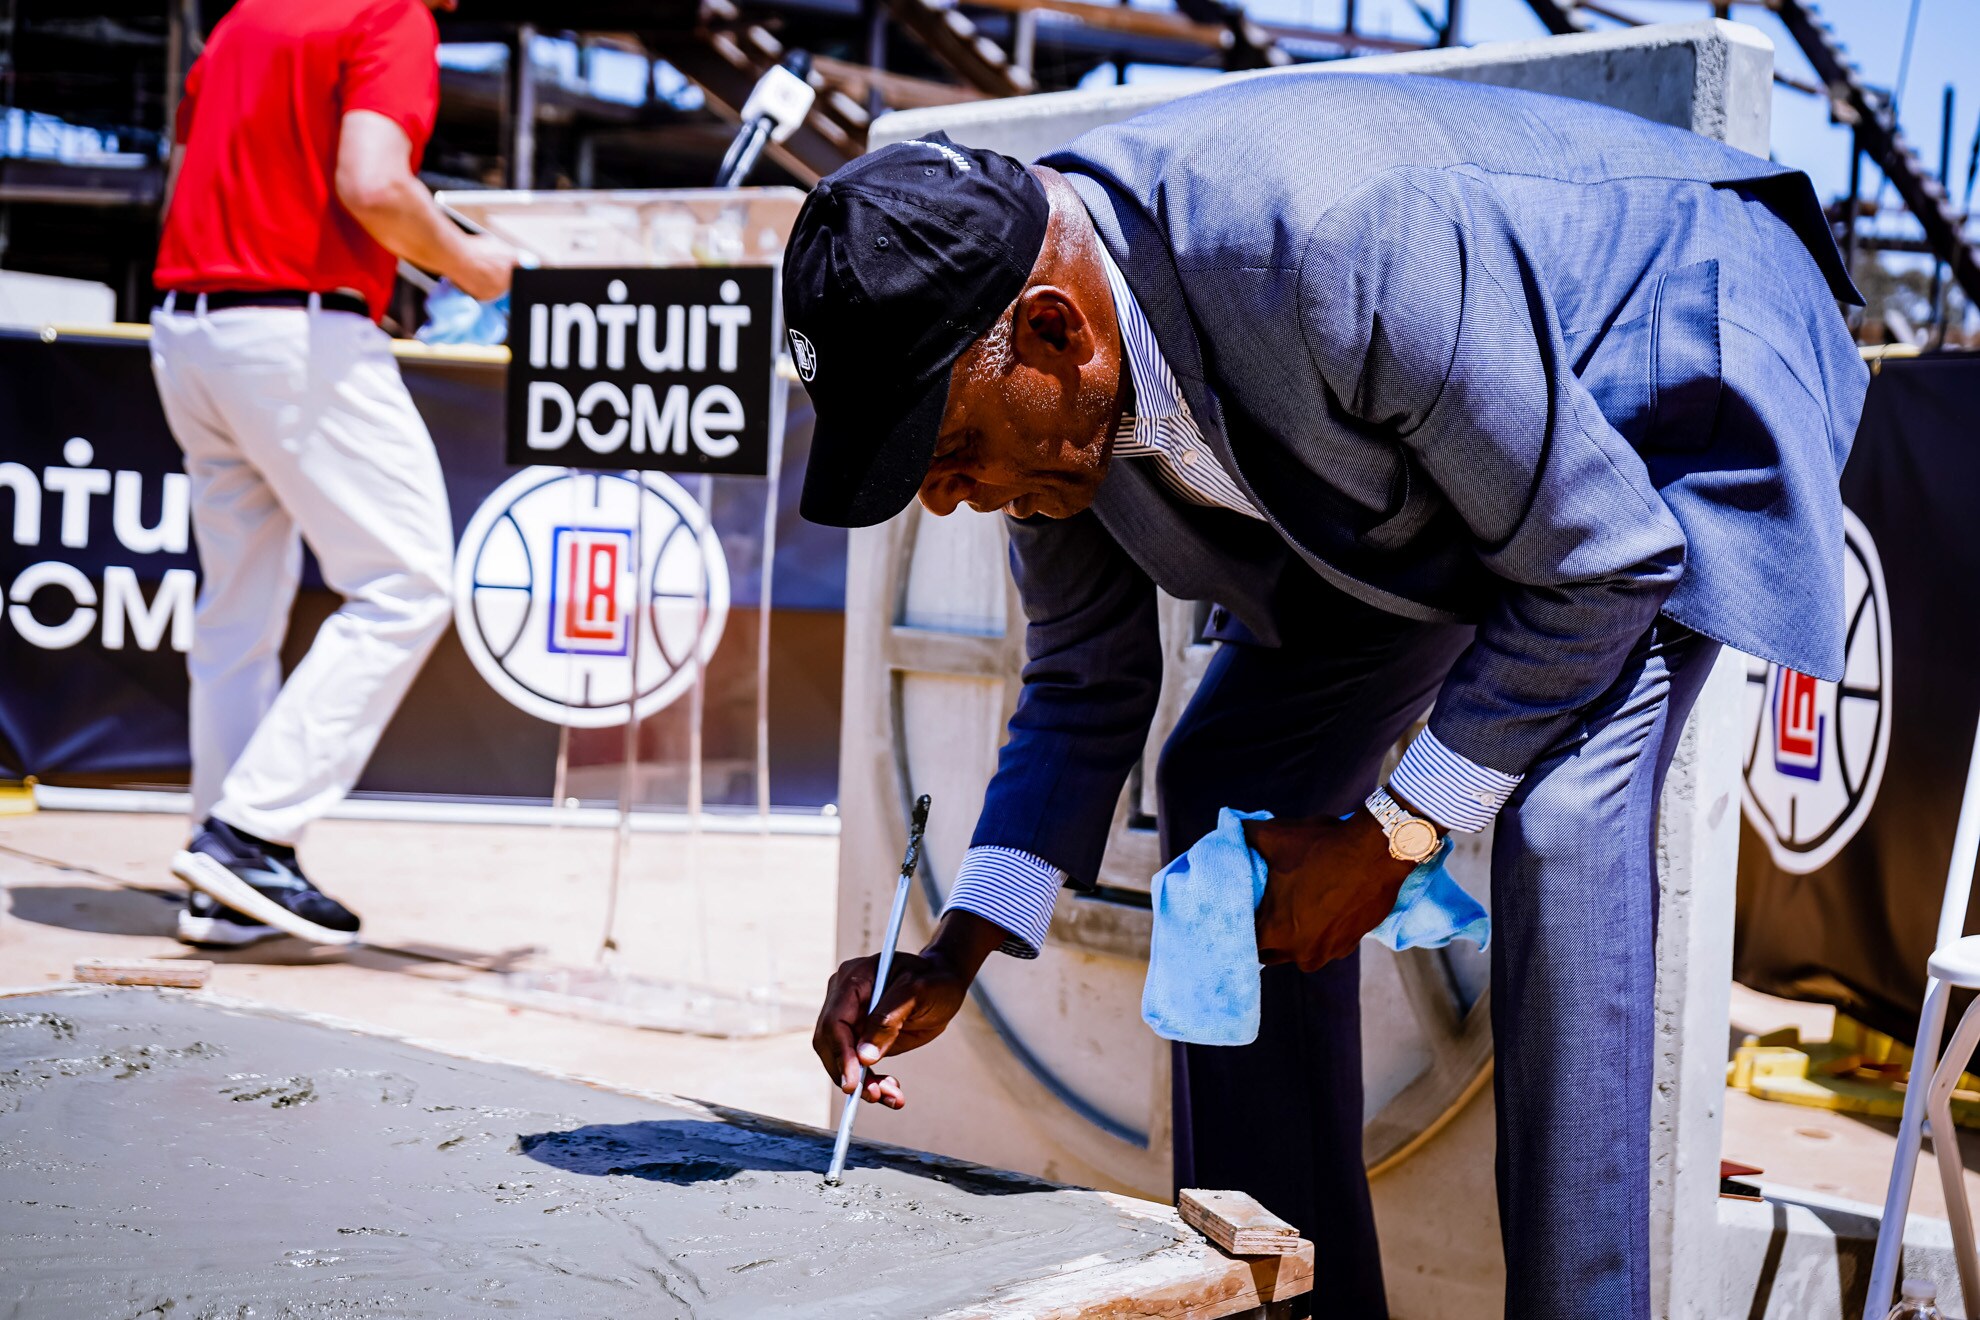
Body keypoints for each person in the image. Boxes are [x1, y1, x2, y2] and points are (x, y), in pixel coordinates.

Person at [789, 73, 1864, 1319]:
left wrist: (1392, 837)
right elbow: (1085, 685)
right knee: (1228, 787)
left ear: (1050, 333)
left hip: (1669, 365)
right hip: (1468, 477)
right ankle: (1290, 1303)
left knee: (1567, 811)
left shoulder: (1335, 238)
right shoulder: (1054, 419)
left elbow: (1599, 559)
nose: (945, 496)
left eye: (949, 451)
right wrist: (956, 948)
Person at [151, 0, 515, 948]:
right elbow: (373, 184)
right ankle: (248, 834)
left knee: (238, 608)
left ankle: (218, 873)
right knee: (408, 580)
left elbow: (202, 162)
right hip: (293, 326)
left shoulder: (242, 19)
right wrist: (471, 263)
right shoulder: (388, 15)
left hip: (191, 324)